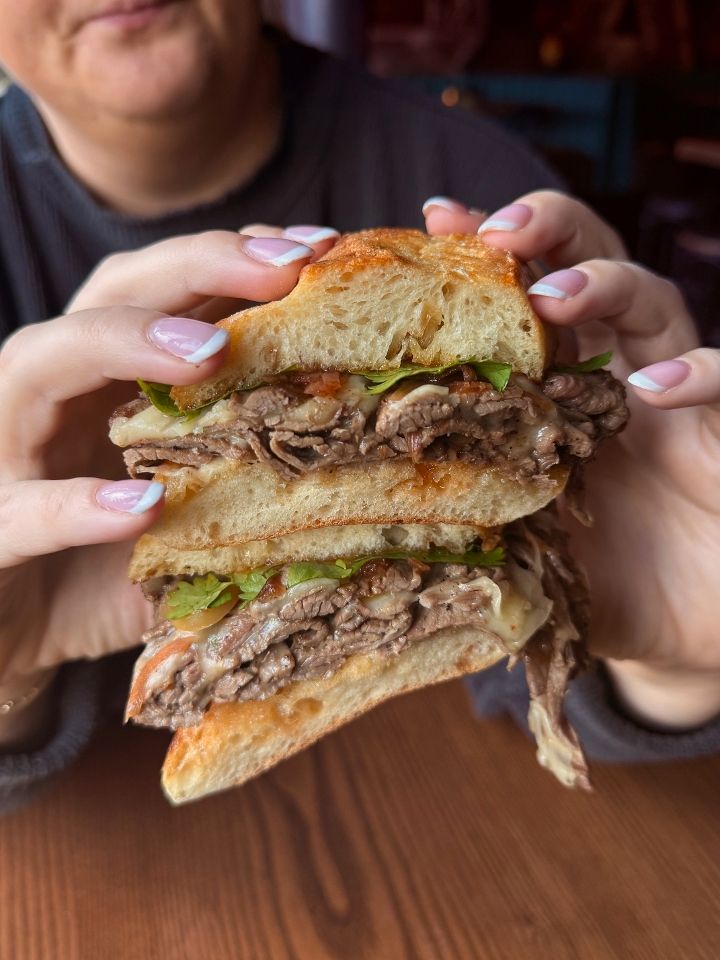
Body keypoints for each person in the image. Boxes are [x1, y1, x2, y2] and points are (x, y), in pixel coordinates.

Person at [0, 0, 718, 811]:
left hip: (452, 827)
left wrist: (681, 663)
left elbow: (524, 691)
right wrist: (12, 668)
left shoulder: (480, 192)